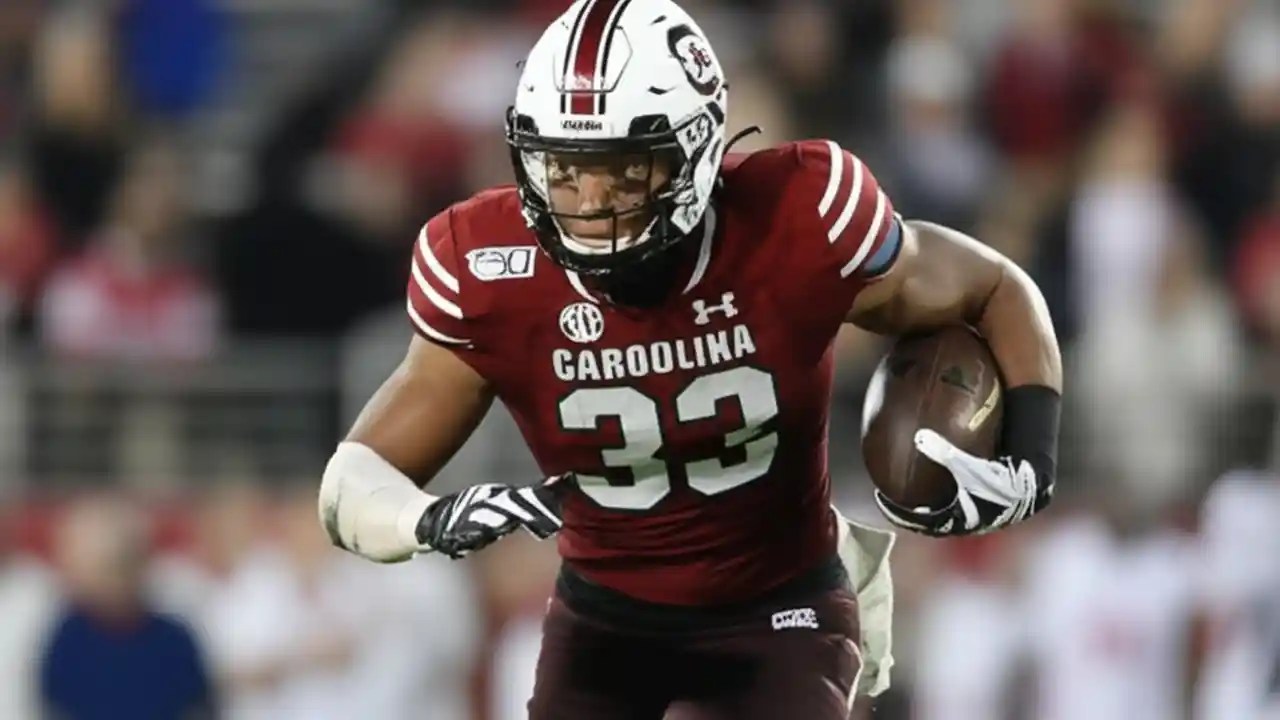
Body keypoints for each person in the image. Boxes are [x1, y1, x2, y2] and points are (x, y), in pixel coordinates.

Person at [317, 1, 1063, 717]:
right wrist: (431, 518)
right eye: (564, 168)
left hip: (780, 608)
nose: (588, 202)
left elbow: (993, 286)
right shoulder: (486, 267)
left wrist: (1030, 456)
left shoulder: (796, 218)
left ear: (696, 149)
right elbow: (351, 483)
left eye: (624, 171)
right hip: (601, 622)